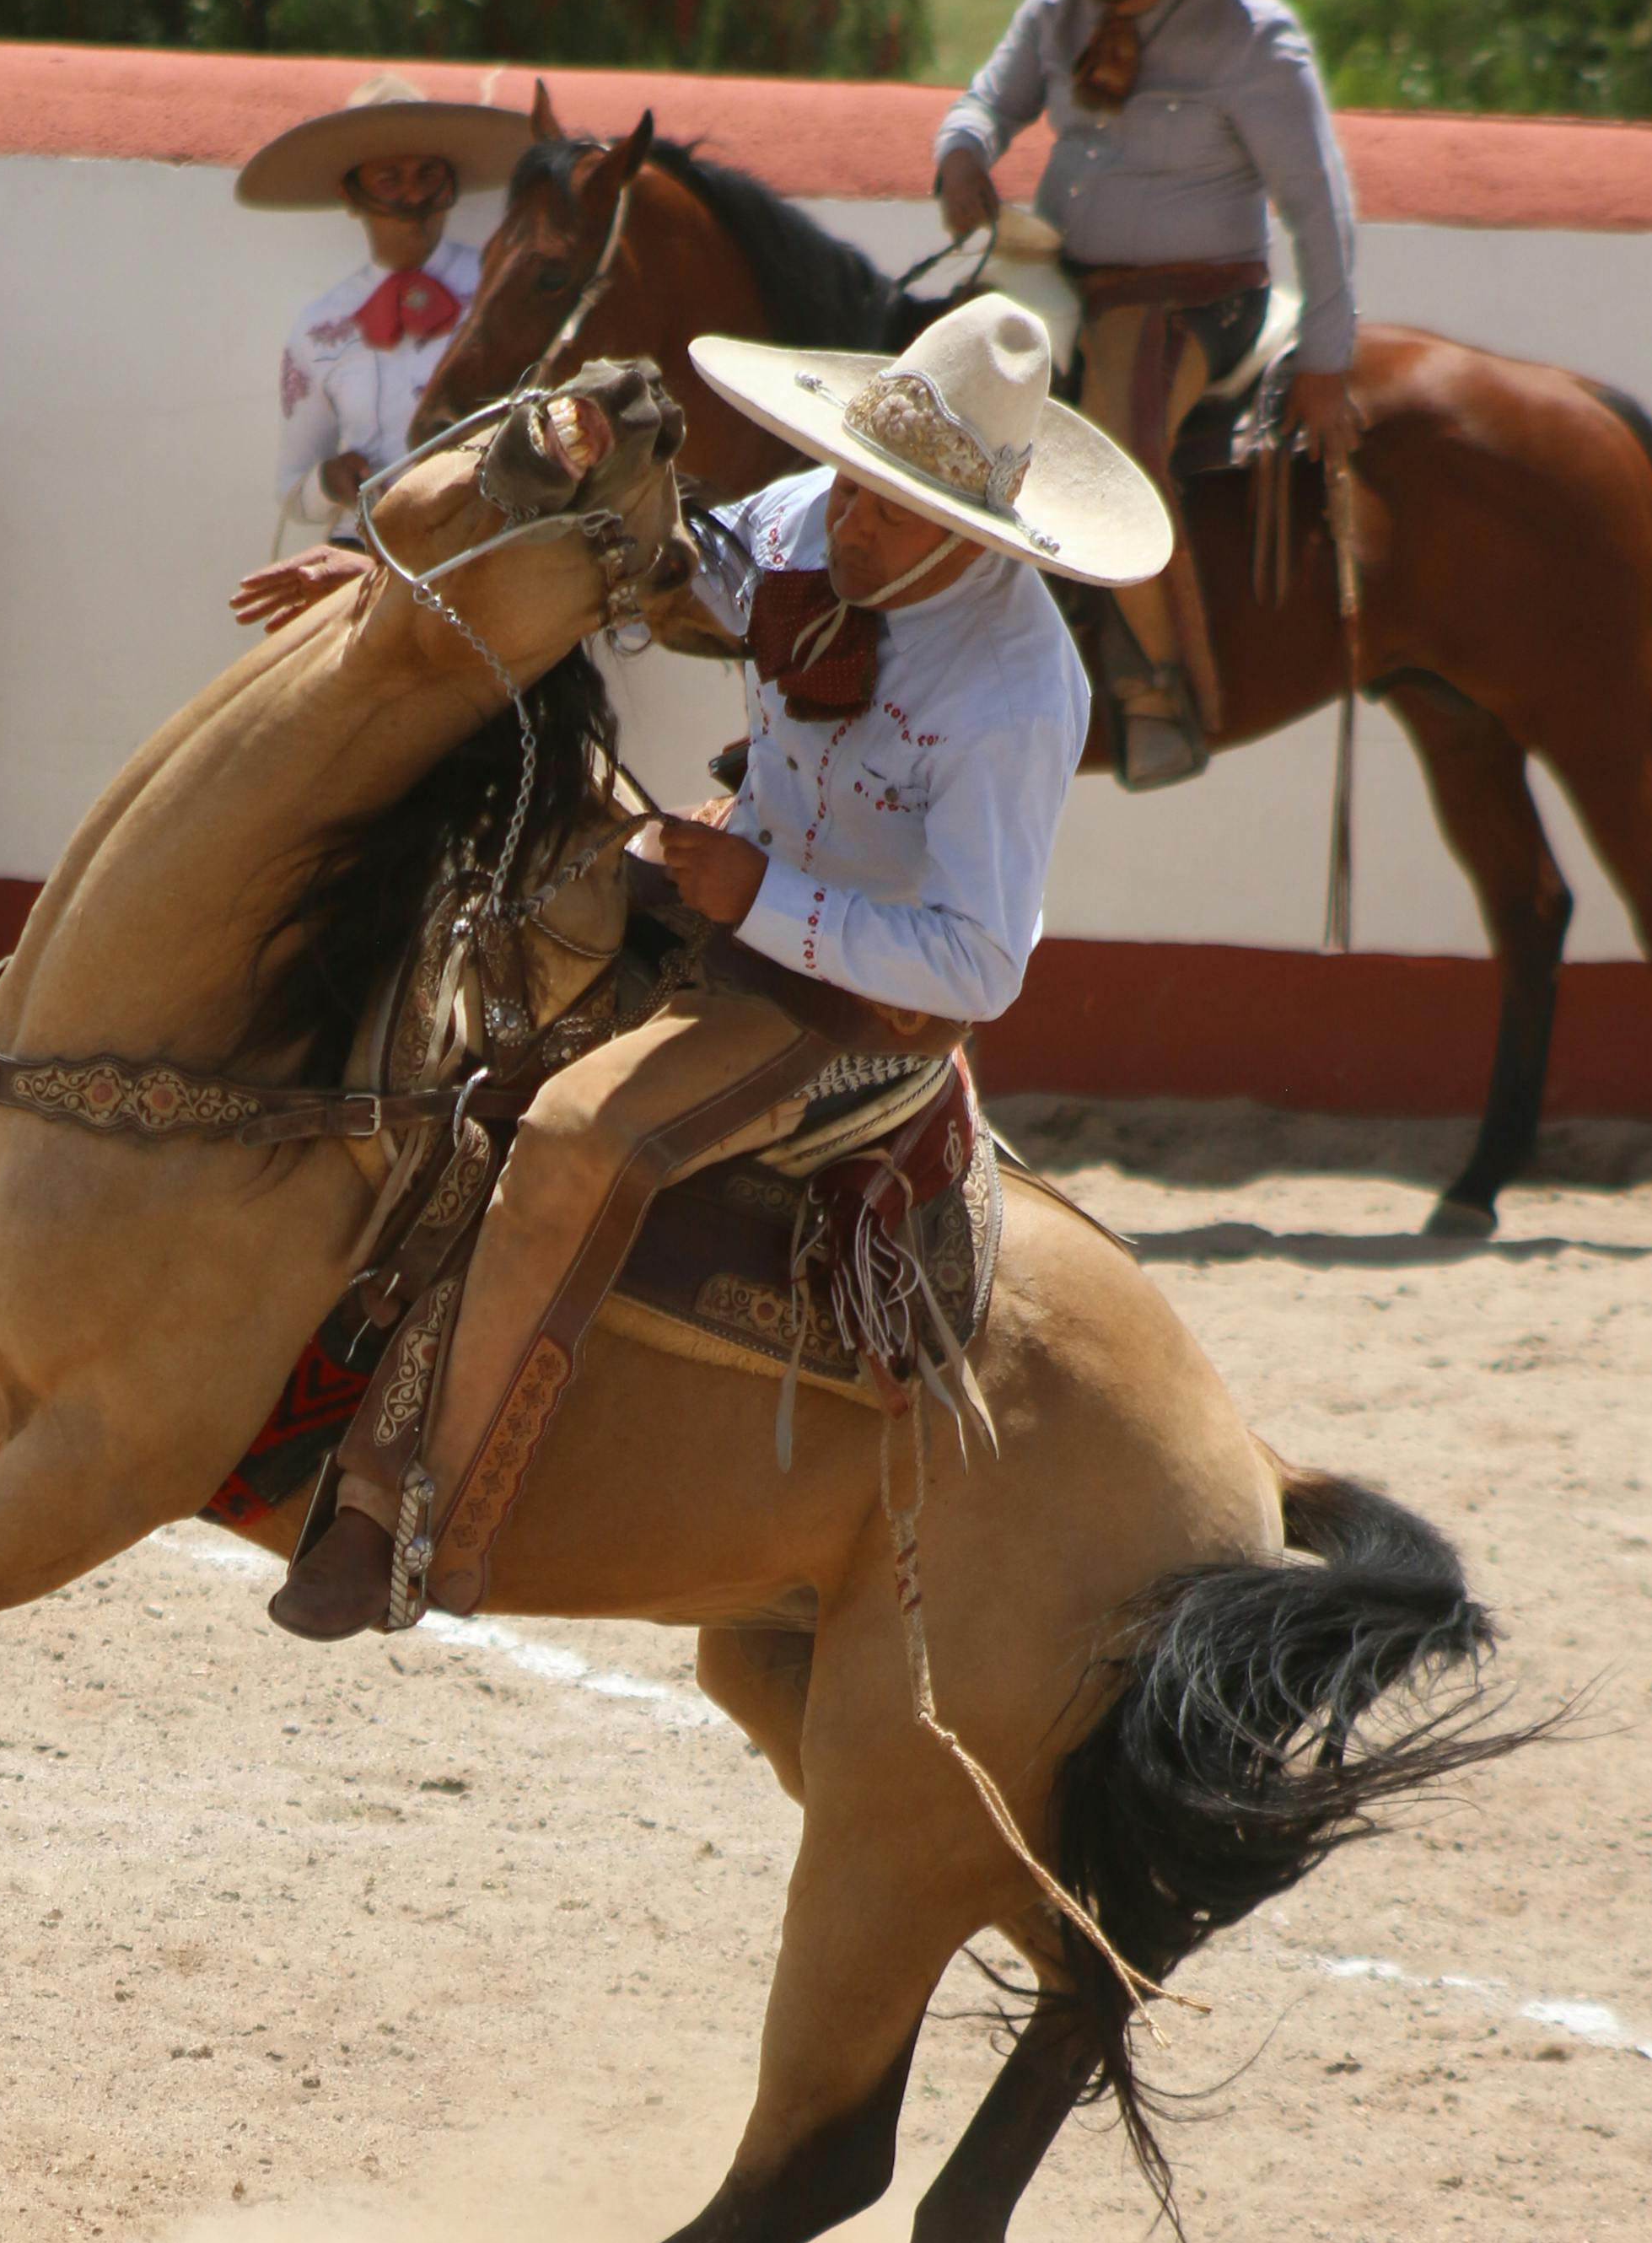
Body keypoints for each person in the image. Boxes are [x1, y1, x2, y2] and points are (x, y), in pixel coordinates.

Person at [268, 293, 1168, 1642]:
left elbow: (976, 963)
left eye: (892, 514)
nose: (849, 524)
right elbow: (630, 556)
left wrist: (767, 896)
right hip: (737, 869)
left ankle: (408, 1506)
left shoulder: (1018, 694)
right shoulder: (825, 516)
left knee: (574, 1136)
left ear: (976, 539)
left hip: (859, 993)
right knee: (465, 946)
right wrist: (396, 579)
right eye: (855, 487)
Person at [934, 0, 1357, 787]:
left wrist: (1330, 362)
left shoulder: (1252, 40)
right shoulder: (1056, 4)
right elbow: (990, 98)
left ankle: (1161, 685)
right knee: (931, 383)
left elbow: (1318, 209)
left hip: (1195, 295)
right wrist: (962, 153)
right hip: (1061, 272)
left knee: (1116, 441)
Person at [235, 74, 532, 540]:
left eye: (427, 175)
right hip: (367, 553)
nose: (413, 196)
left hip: (488, 548)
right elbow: (291, 487)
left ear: (451, 182)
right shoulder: (319, 328)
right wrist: (329, 482)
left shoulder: (506, 290)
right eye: (390, 180)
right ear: (352, 196)